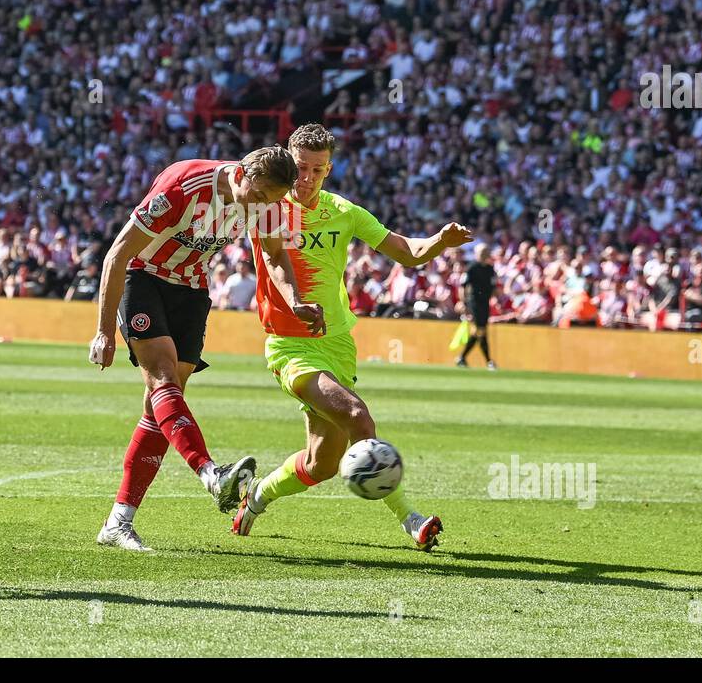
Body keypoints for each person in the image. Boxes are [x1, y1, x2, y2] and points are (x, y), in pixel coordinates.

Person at [232, 125, 473, 551]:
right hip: (290, 344)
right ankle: (410, 519)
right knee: (358, 415)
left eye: (317, 170)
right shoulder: (267, 205)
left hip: (338, 342)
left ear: (329, 170)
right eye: (301, 168)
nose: (306, 178)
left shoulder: (344, 211)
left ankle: (257, 496)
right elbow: (271, 261)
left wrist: (441, 241)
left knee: (320, 464)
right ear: (288, 161)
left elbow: (407, 253)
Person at [89, 146, 324, 551]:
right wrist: (105, 331)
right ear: (241, 174)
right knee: (163, 379)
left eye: (272, 200)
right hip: (143, 277)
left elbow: (275, 253)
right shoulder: (184, 185)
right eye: (260, 195)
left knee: (160, 406)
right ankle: (211, 474)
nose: (263, 206)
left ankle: (117, 523)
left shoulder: (266, 201)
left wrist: (295, 298)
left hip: (192, 289)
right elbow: (117, 254)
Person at [457, 243, 497, 369]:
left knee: (479, 331)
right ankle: (488, 361)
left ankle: (462, 357)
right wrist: (463, 303)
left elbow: (493, 286)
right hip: (474, 302)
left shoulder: (491, 269)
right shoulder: (472, 267)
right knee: (480, 330)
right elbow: (463, 286)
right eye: (481, 252)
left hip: (485, 303)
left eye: (486, 252)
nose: (484, 254)